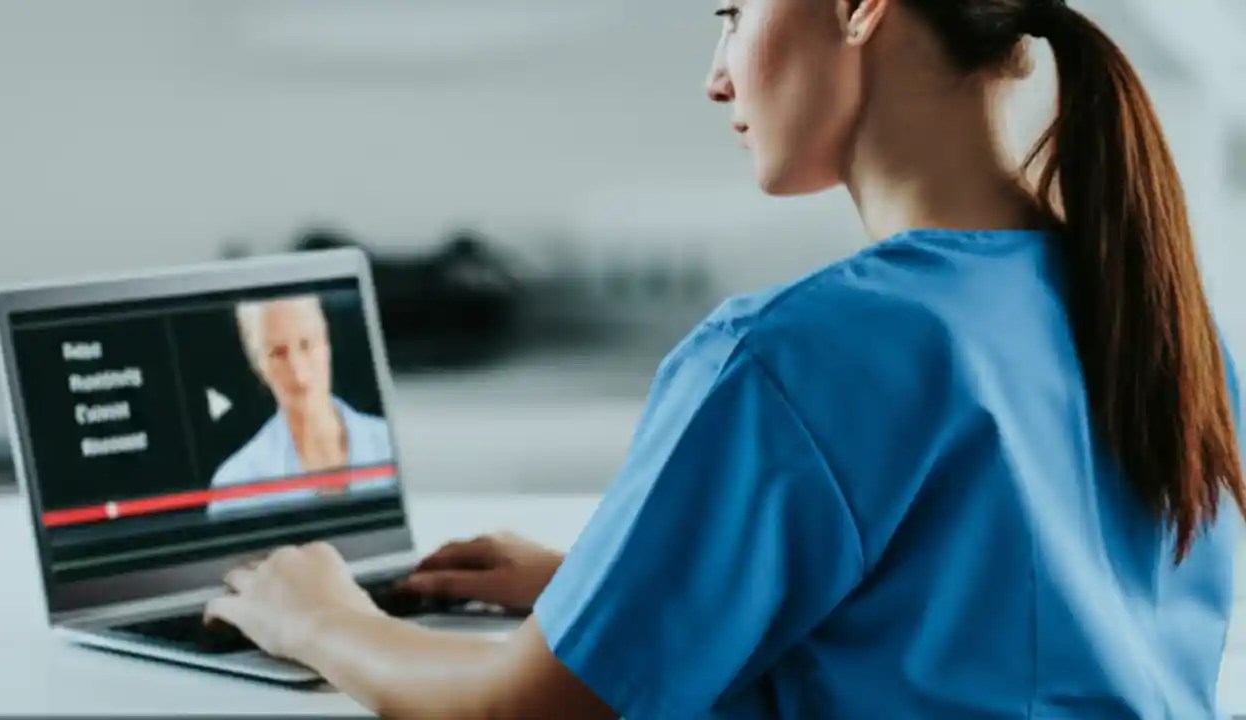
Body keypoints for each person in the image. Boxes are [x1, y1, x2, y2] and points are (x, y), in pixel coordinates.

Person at [204, 1, 1246, 717]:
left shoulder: (793, 355)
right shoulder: (1153, 314)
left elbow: (521, 709)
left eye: (732, 13)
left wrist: (321, 621)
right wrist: (605, 590)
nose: (714, 76)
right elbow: (985, 627)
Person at [206, 295, 395, 518]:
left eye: (307, 345)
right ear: (258, 365)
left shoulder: (392, 443)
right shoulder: (235, 484)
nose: (299, 373)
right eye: (277, 353)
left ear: (326, 344)